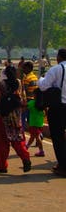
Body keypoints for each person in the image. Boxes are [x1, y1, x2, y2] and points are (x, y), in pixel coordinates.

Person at [0, 64, 31, 173]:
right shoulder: (19, 82)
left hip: (3, 115)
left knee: (2, 142)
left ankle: (2, 165)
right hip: (16, 115)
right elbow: (23, 98)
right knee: (17, 139)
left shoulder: (1, 84)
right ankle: (25, 158)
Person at [38, 47, 66, 177]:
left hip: (58, 107)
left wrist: (41, 79)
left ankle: (63, 165)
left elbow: (44, 86)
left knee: (58, 137)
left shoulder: (56, 69)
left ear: (59, 57)